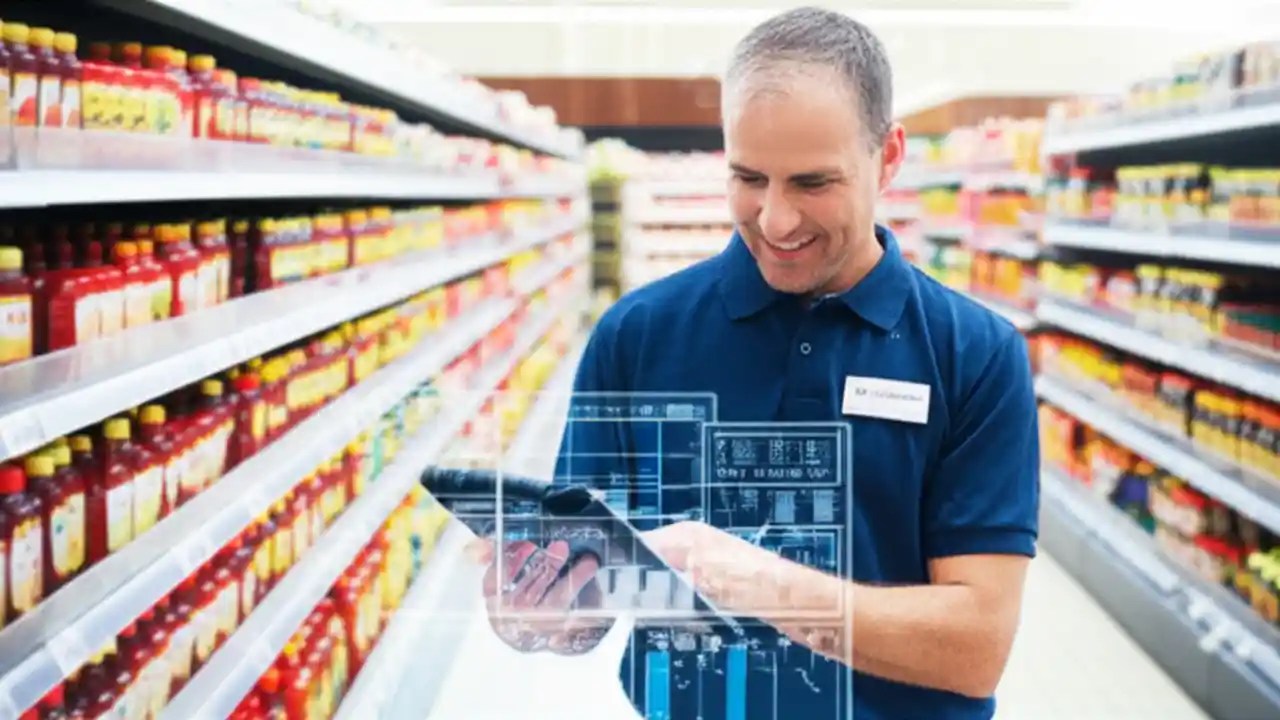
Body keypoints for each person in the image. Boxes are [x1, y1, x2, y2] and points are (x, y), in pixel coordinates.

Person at [466, 6, 1039, 719]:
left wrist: (745, 578)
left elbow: (975, 648)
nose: (775, 220)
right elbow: (591, 601)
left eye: (812, 183)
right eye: (748, 178)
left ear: (888, 157)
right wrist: (539, 615)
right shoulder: (636, 335)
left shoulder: (975, 354)